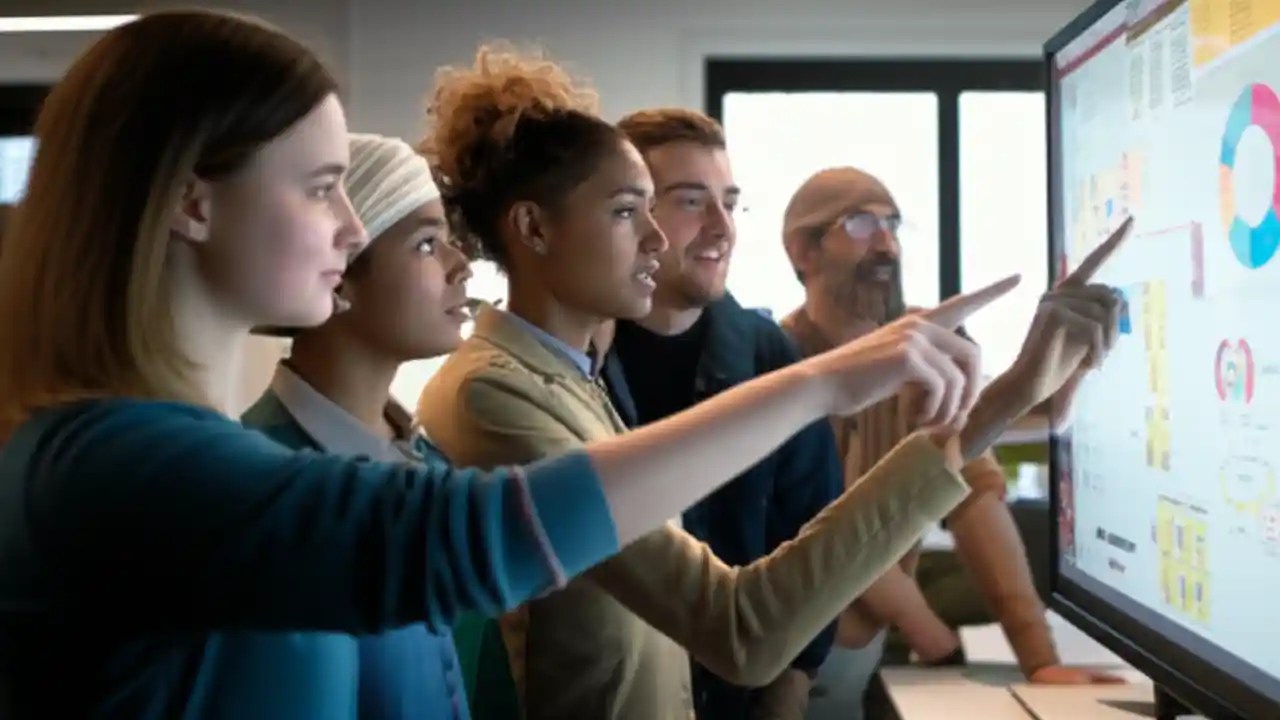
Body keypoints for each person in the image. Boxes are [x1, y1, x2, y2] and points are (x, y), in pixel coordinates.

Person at [0, 12, 1028, 718]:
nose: (349, 227)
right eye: (319, 187)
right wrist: (818, 381)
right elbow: (483, 536)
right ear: (191, 201)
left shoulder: (153, 452)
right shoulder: (111, 464)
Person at [416, 44, 1127, 720]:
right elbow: (740, 626)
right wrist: (827, 383)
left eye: (725, 202)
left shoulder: (581, 380)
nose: (659, 238)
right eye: (632, 210)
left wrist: (1013, 398)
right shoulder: (497, 395)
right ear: (535, 229)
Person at [777, 166, 1124, 716]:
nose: (887, 243)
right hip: (785, 660)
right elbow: (828, 528)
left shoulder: (924, 346)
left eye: (893, 224)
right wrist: (928, 631)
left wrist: (1039, 660)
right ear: (803, 250)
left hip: (859, 654)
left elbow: (974, 493)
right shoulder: (775, 362)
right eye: (861, 224)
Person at [598, 107, 840, 720]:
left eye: (729, 203)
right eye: (691, 201)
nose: (722, 227)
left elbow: (817, 540)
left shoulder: (769, 356)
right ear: (628, 214)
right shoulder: (582, 357)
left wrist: (789, 694)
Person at [229, 132, 476, 718]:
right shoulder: (261, 486)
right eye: (426, 244)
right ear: (337, 273)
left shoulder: (429, 461)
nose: (461, 265)